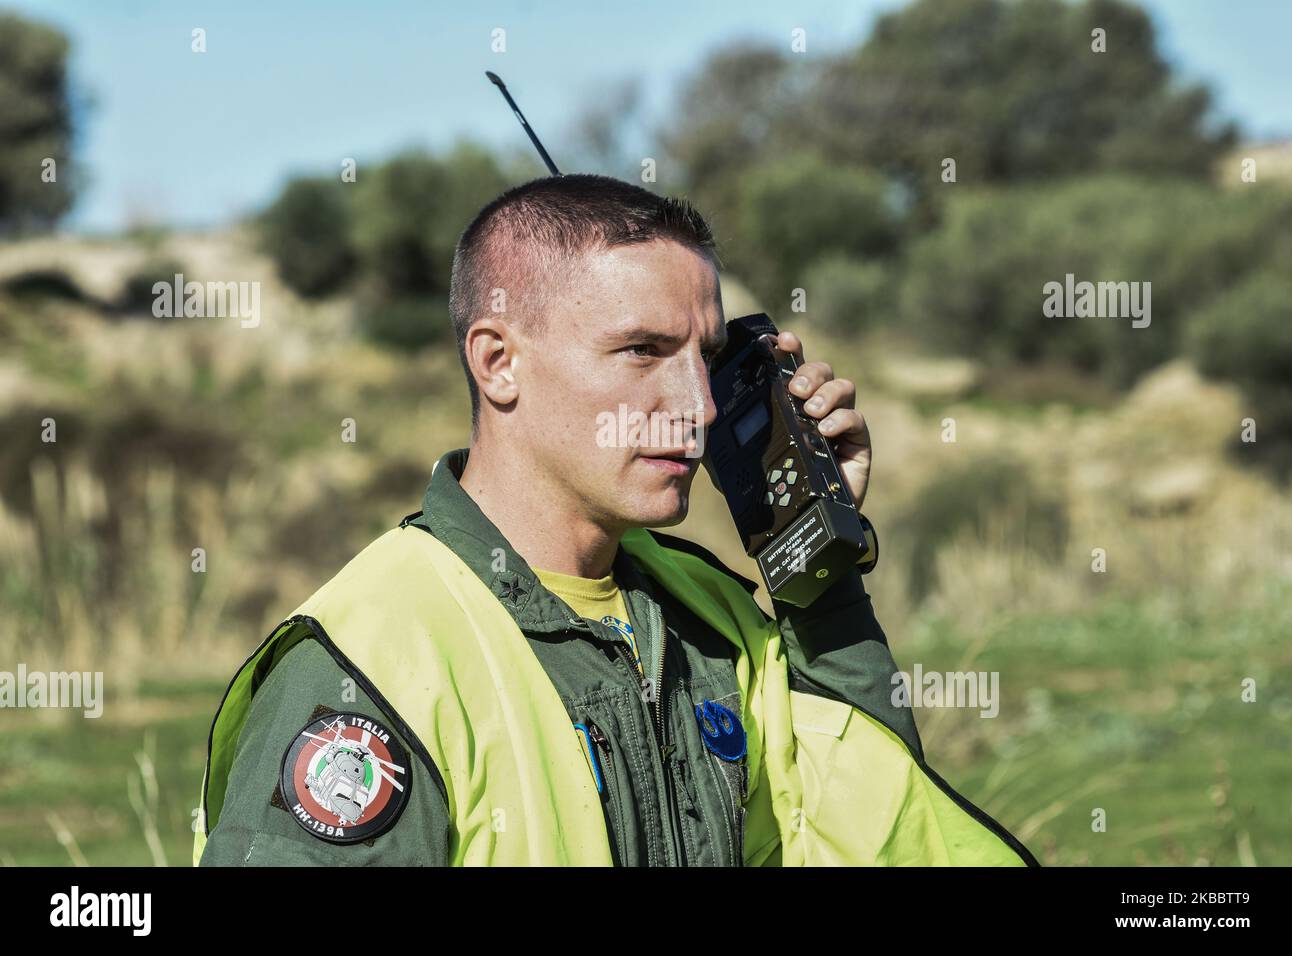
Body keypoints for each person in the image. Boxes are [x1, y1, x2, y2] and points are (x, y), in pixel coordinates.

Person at [194, 173, 1036, 866]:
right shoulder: (366, 661)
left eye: (706, 358)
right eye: (642, 350)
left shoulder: (716, 621)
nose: (697, 406)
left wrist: (815, 564)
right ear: (498, 363)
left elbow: (882, 839)